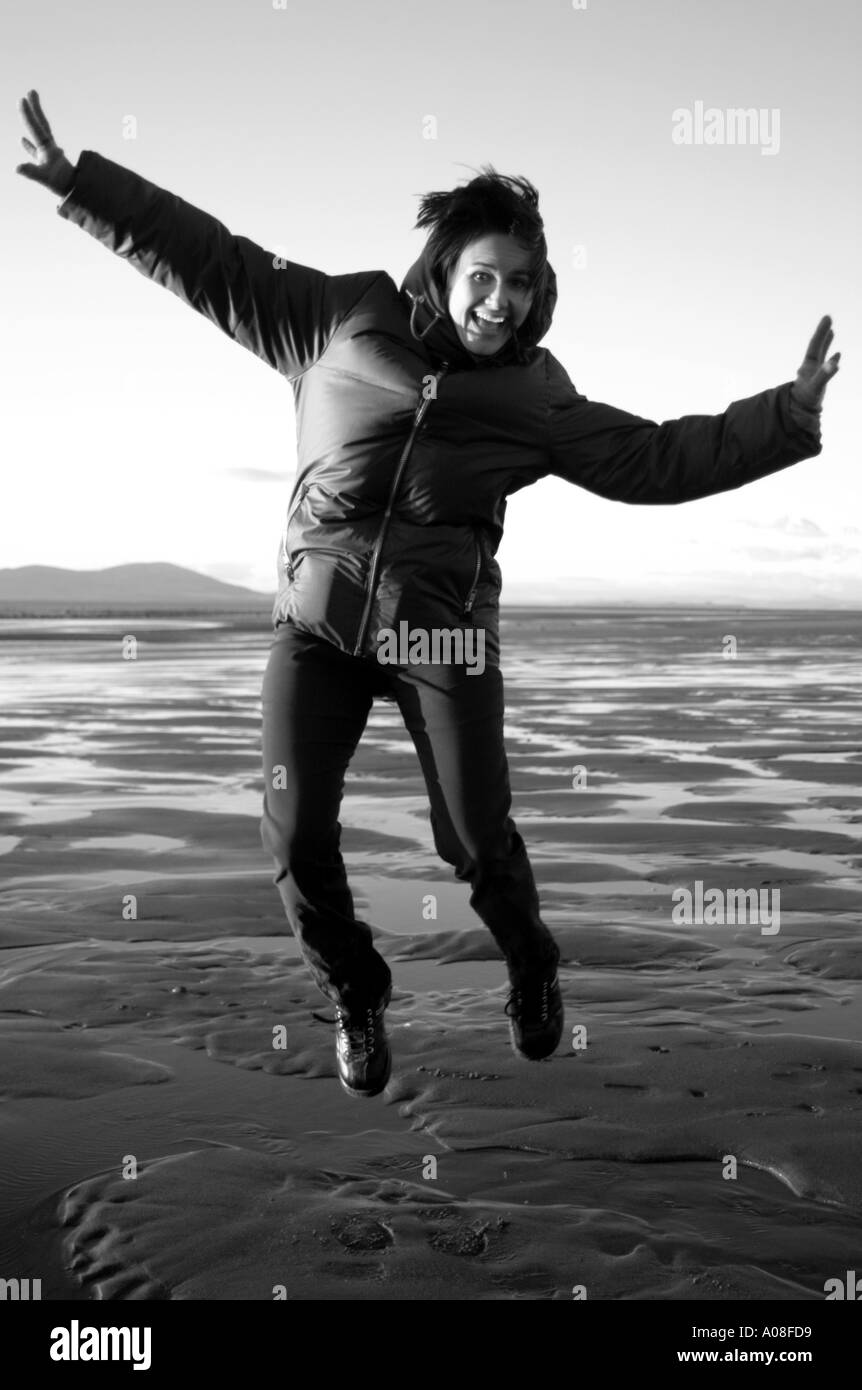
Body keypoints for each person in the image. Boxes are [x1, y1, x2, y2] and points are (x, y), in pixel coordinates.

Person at [18, 89, 840, 1099]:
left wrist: (785, 416)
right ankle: (355, 994)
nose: (502, 301)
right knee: (291, 830)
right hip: (316, 630)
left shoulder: (535, 395)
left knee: (472, 837)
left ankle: (530, 961)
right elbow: (211, 260)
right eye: (484, 278)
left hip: (443, 639)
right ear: (442, 275)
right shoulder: (338, 319)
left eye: (523, 285)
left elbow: (653, 458)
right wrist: (81, 184)